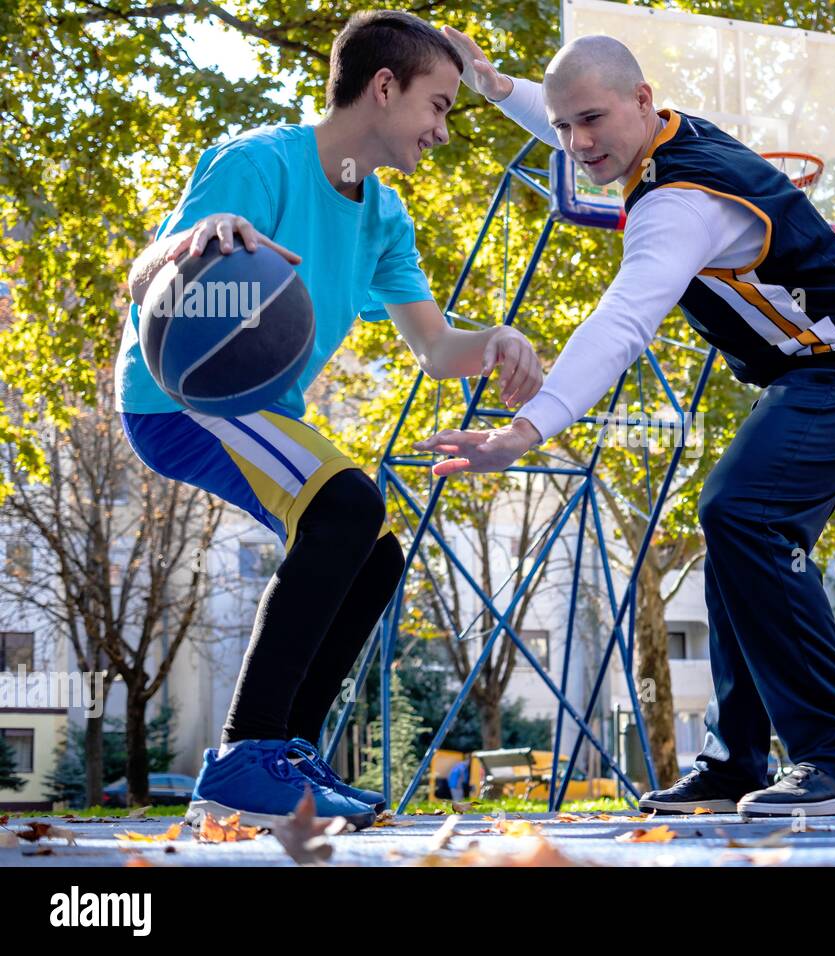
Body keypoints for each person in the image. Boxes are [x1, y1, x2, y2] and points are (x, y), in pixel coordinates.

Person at [425, 28, 835, 817]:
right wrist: (499, 91)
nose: (577, 144)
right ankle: (735, 766)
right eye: (563, 127)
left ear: (642, 100)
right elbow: (571, 113)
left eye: (591, 120)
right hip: (811, 369)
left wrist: (525, 432)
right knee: (739, 536)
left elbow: (623, 321)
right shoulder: (667, 135)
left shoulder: (680, 203)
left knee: (742, 512)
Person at [114, 11, 543, 830]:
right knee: (346, 504)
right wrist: (188, 246)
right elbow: (140, 280)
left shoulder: (382, 218)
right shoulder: (257, 165)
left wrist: (495, 341)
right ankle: (245, 755)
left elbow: (434, 346)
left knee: (375, 553)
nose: (445, 131)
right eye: (441, 105)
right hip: (181, 402)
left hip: (258, 410)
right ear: (384, 87)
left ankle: (285, 759)